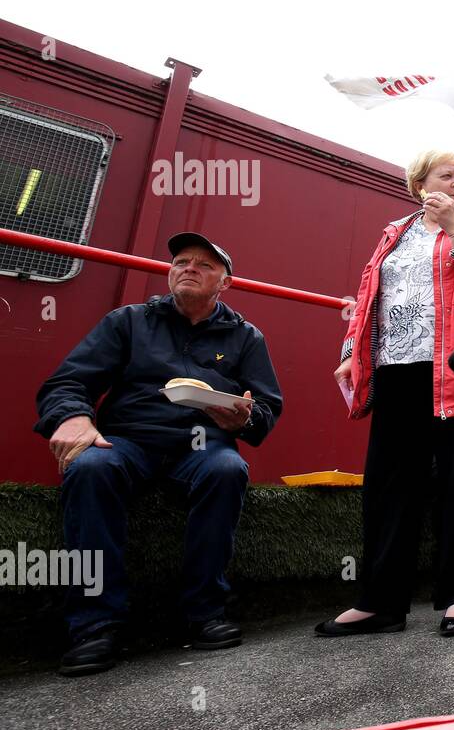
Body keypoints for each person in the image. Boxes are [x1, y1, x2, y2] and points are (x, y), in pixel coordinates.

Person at [35, 232, 283, 675]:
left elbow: (266, 406)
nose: (188, 268)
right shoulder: (128, 321)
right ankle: (94, 625)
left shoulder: (246, 337)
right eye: (181, 261)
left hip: (203, 444)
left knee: (228, 468)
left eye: (203, 265)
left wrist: (244, 419)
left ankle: (204, 613)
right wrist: (73, 418)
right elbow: (68, 383)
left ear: (224, 283)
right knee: (90, 467)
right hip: (126, 439)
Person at [318, 150, 454, 638]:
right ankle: (381, 602)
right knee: (389, 484)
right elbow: (370, 300)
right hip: (396, 371)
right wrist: (351, 350)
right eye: (447, 175)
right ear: (419, 184)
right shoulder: (395, 232)